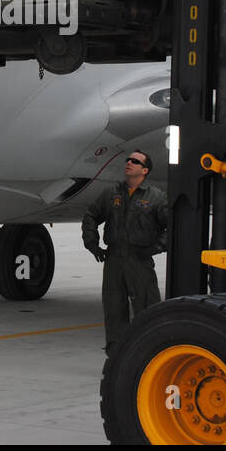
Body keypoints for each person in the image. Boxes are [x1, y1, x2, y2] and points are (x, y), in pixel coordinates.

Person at [82, 149, 170, 351]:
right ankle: (115, 353)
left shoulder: (155, 197)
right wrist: (92, 244)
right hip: (113, 259)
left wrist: (155, 248)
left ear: (145, 170)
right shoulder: (111, 194)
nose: (128, 163)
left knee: (147, 307)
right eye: (127, 160)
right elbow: (91, 216)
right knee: (114, 309)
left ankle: (150, 350)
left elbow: (171, 226)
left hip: (139, 260)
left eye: (135, 161)